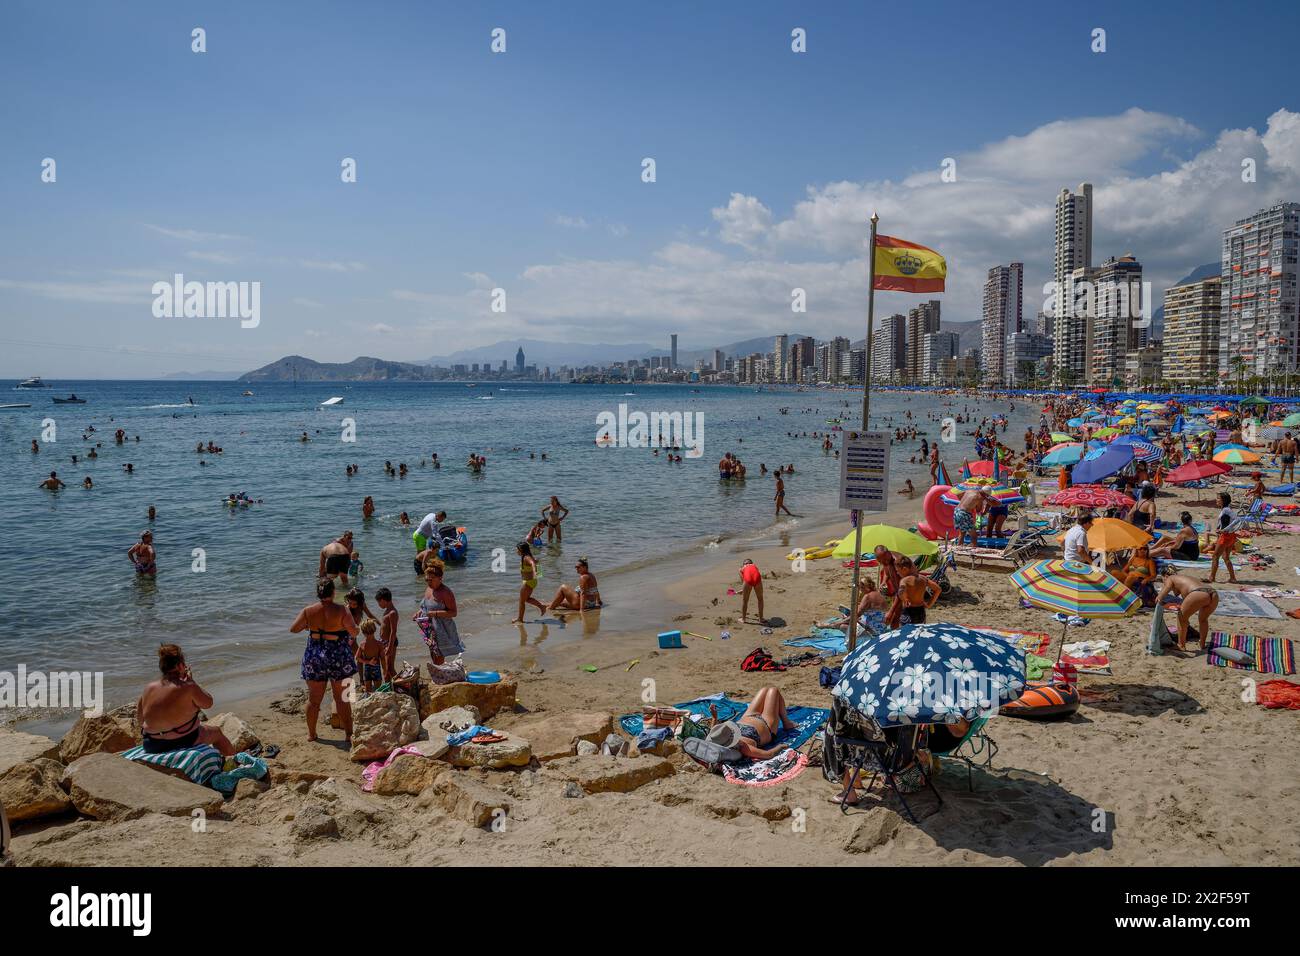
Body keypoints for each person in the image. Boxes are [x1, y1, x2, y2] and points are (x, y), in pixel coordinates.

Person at [289, 578, 359, 744]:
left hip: (314, 656)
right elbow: (354, 632)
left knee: (313, 700)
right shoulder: (342, 610)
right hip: (338, 656)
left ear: (318, 593)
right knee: (342, 697)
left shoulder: (308, 610)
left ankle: (312, 734)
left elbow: (294, 629)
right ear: (333, 592)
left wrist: (309, 626)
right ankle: (349, 734)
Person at [137, 644, 236, 756]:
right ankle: (235, 762)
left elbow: (141, 721)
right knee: (216, 732)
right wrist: (191, 682)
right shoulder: (188, 687)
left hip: (151, 744)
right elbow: (208, 703)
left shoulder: (148, 688)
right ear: (180, 666)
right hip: (182, 741)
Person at [709, 687, 796, 761]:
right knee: (773, 691)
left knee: (764, 689)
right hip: (766, 723)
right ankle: (786, 722)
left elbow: (714, 733)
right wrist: (780, 747)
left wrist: (714, 718)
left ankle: (786, 722)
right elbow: (768, 754)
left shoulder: (717, 738)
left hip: (747, 716)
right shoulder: (744, 747)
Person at [414, 558, 462, 666]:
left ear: (440, 578)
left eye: (431, 579)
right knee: (432, 650)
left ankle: (438, 674)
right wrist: (419, 612)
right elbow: (425, 606)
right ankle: (437, 672)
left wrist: (435, 614)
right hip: (430, 628)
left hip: (442, 628)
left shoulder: (446, 592)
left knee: (439, 653)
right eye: (427, 580)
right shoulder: (429, 589)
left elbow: (453, 613)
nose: (428, 582)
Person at [1156, 569, 1218, 651]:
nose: (1163, 582)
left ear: (1166, 576)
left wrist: (1159, 597)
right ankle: (1202, 644)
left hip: (1198, 593)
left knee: (1181, 618)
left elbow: (1167, 587)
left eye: (1163, 580)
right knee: (1203, 620)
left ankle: (1181, 645)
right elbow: (1180, 594)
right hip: (1213, 593)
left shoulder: (1170, 578)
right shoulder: (1184, 578)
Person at [886, 556, 941, 628]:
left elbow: (901, 591)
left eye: (897, 570)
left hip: (909, 611)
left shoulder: (904, 580)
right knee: (919, 633)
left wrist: (904, 598)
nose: (897, 573)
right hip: (921, 611)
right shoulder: (923, 578)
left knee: (906, 634)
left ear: (904, 569)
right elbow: (938, 589)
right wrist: (929, 604)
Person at [1206, 491, 1239, 584]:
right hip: (1231, 536)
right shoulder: (1225, 509)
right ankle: (1233, 578)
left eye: (1218, 498)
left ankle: (1211, 578)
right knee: (1225, 557)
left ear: (1223, 500)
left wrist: (1224, 530)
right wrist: (1220, 528)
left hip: (1226, 536)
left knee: (1215, 556)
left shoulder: (1226, 510)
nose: (1216, 500)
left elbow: (1237, 519)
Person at [513, 542, 547, 623]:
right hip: (531, 581)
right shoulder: (527, 556)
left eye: (517, 549)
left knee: (521, 601)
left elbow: (533, 564)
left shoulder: (526, 558)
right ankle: (542, 606)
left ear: (521, 550)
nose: (516, 551)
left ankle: (520, 619)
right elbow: (536, 562)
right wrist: (538, 573)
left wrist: (535, 572)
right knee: (526, 599)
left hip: (528, 582)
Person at [375, 587, 399, 681]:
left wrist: (389, 646)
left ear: (384, 600)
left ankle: (403, 686)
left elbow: (393, 631)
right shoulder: (387, 611)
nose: (378, 604)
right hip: (384, 642)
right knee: (386, 669)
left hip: (390, 642)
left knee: (390, 668)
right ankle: (389, 688)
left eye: (379, 602)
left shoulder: (392, 612)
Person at [354, 619, 384, 693]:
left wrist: (367, 662)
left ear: (363, 632)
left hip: (367, 669)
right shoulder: (379, 644)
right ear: (374, 629)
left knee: (368, 691)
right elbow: (383, 659)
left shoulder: (362, 644)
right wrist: (385, 670)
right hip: (376, 668)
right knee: (379, 689)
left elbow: (357, 658)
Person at [738, 558, 765, 623]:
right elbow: (755, 574)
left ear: (744, 564)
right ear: (751, 563)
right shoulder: (754, 565)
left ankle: (743, 619)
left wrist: (743, 590)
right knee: (760, 599)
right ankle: (761, 618)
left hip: (747, 580)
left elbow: (743, 580)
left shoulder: (741, 568)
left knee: (745, 601)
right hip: (757, 579)